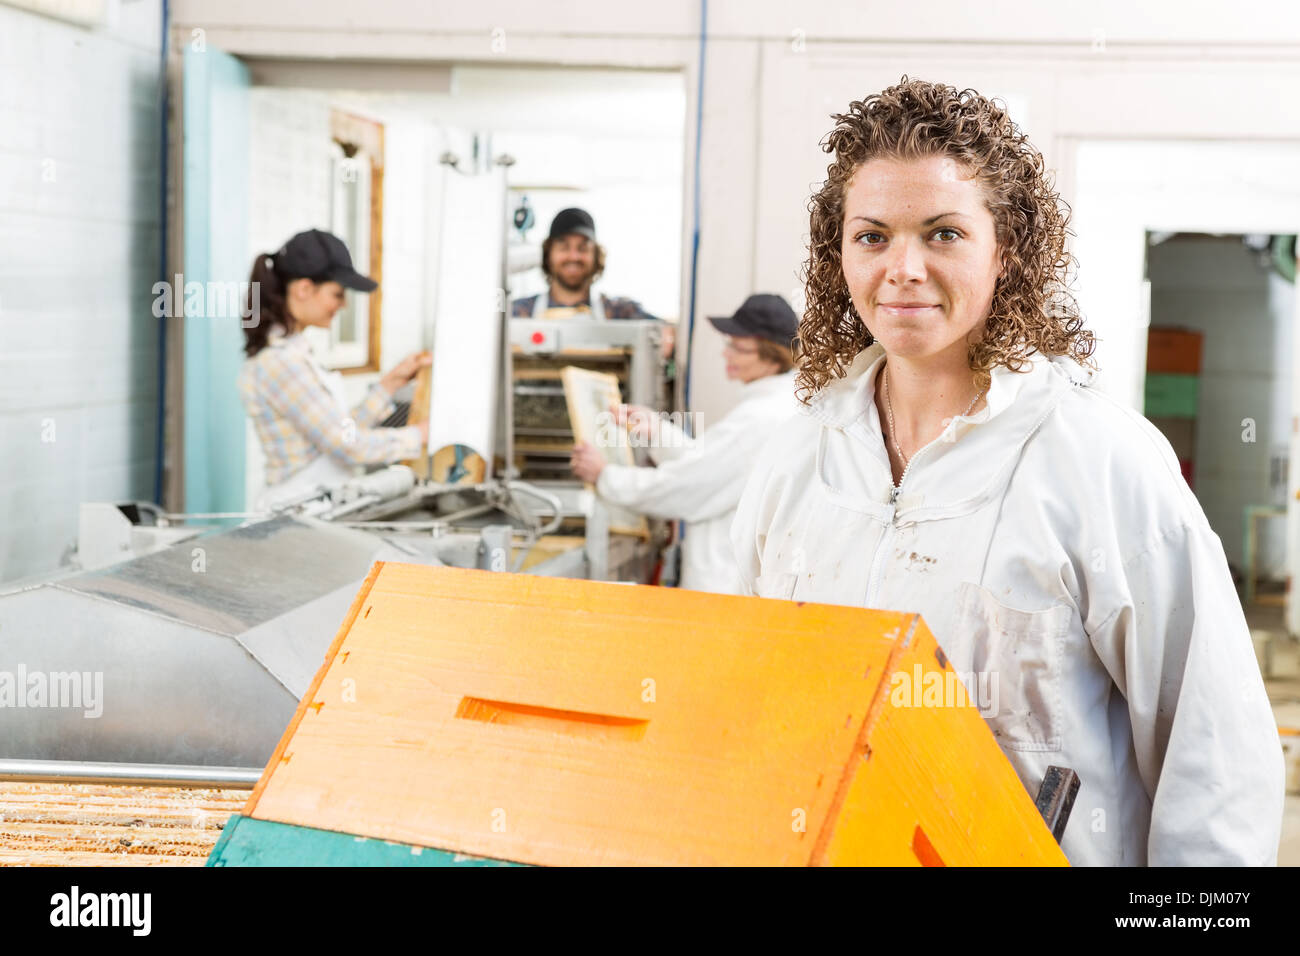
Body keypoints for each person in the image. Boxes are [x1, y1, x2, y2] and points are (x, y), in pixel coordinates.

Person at [730, 77, 1284, 866]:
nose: (904, 268)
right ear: (837, 254)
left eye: (944, 233)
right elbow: (756, 710)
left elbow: (1217, 756)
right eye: (873, 235)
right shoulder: (795, 460)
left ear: (1007, 252)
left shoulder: (1100, 461)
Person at [570, 294, 797, 594]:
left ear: (772, 355)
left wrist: (605, 476)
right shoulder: (782, 404)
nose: (726, 355)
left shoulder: (760, 419)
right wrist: (654, 431)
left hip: (725, 587)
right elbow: (710, 467)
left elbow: (685, 488)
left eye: (737, 347)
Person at [239, 229, 431, 508]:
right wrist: (419, 435)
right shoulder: (280, 363)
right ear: (304, 289)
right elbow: (347, 446)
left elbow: (340, 432)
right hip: (296, 515)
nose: (343, 304)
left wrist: (391, 383)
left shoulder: (296, 353)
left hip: (318, 507)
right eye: (338, 294)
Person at [511, 207, 675, 358]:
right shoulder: (520, 311)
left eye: (583, 248)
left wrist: (667, 333)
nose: (574, 256)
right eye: (564, 247)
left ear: (596, 256)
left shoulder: (619, 311)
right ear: (548, 254)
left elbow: (665, 330)